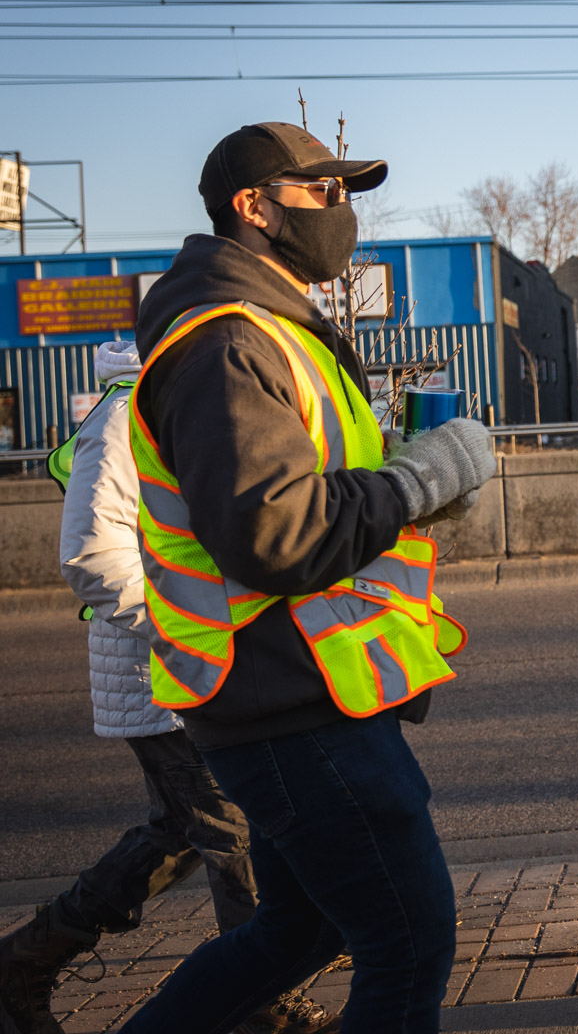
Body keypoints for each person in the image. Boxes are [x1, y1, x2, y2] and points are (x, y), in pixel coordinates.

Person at [117, 121, 496, 1034]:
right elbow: (274, 535)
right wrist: (415, 483)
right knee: (408, 944)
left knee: (300, 928)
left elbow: (309, 493)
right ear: (253, 208)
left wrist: (400, 491)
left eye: (346, 192)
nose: (343, 210)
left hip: (294, 690)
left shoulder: (269, 329)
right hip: (290, 702)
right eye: (322, 191)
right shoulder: (226, 345)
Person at [0, 342, 333, 1034]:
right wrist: (193, 630)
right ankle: (260, 1007)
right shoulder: (126, 416)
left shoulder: (185, 406)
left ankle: (24, 964)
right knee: (233, 830)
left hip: (189, 669)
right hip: (160, 672)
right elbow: (90, 554)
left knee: (180, 833)